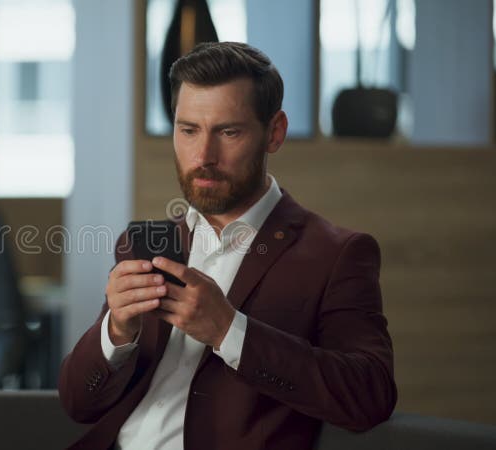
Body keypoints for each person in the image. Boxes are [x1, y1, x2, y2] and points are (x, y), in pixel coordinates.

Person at [59, 41, 397, 450]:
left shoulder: (337, 254)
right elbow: (77, 404)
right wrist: (115, 331)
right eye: (188, 130)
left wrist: (228, 330)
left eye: (228, 131)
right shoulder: (146, 243)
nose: (203, 155)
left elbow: (369, 396)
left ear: (274, 133)